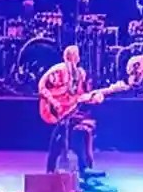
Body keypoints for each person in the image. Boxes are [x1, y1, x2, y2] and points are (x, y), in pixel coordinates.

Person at [38, 45, 103, 181]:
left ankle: (84, 169)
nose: (78, 57)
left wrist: (93, 98)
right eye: (76, 54)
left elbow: (80, 95)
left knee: (79, 137)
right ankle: (52, 171)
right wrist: (53, 102)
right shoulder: (58, 71)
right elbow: (42, 87)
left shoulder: (80, 73)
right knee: (59, 140)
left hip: (71, 112)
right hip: (59, 112)